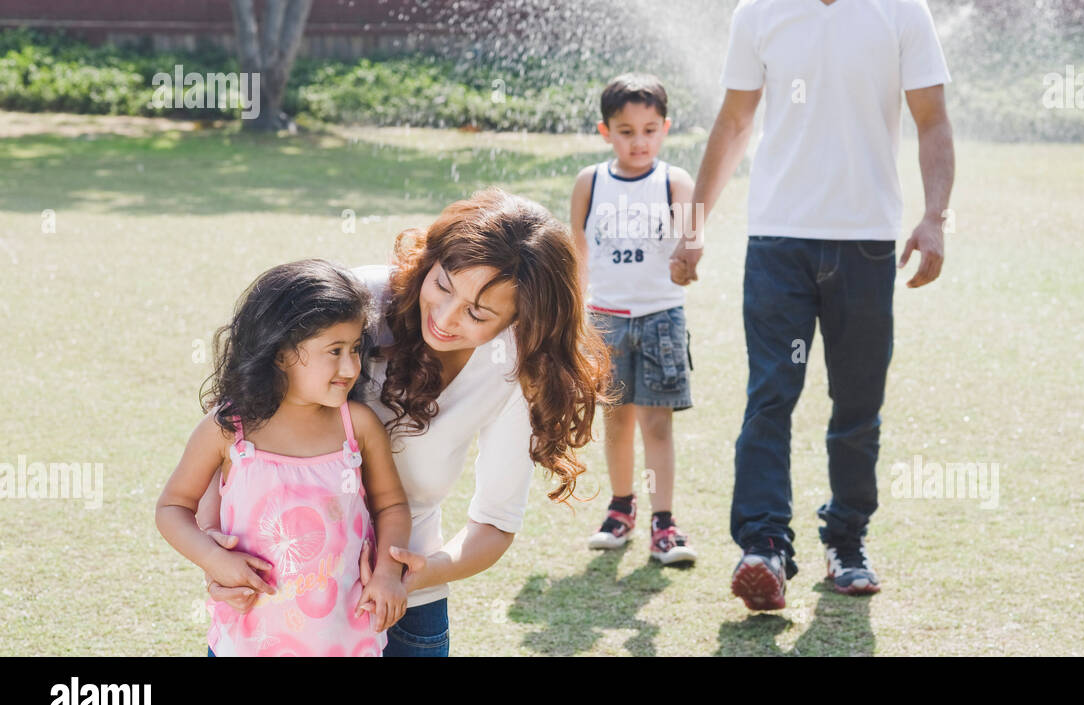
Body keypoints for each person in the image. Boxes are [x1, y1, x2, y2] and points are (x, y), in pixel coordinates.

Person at [669, 0, 955, 611]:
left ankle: (846, 539)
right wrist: (694, 224)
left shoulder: (901, 9)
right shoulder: (759, 9)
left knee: (857, 405)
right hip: (779, 244)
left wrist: (933, 217)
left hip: (865, 242)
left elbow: (931, 122)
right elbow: (733, 122)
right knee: (771, 395)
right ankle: (763, 546)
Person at [201, 188, 612, 656]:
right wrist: (216, 551)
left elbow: (495, 523)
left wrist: (411, 572)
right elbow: (239, 421)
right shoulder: (361, 301)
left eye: (477, 313)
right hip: (274, 599)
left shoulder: (516, 368)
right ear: (431, 259)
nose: (445, 318)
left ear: (520, 321)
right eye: (442, 285)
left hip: (406, 611)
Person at [156, 258, 412, 656]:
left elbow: (392, 505)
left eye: (355, 349)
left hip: (345, 640)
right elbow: (172, 507)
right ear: (280, 354)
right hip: (248, 640)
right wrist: (212, 558)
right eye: (334, 350)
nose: (350, 366)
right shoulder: (228, 429)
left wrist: (388, 574)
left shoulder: (356, 425)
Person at [569, 73, 698, 566]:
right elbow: (577, 249)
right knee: (615, 418)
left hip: (661, 316)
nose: (638, 141)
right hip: (605, 319)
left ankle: (664, 524)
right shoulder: (590, 181)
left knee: (656, 425)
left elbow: (692, 238)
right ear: (606, 131)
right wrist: (577, 313)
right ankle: (620, 509)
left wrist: (691, 252)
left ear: (665, 128)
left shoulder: (676, 181)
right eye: (626, 130)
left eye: (649, 129)